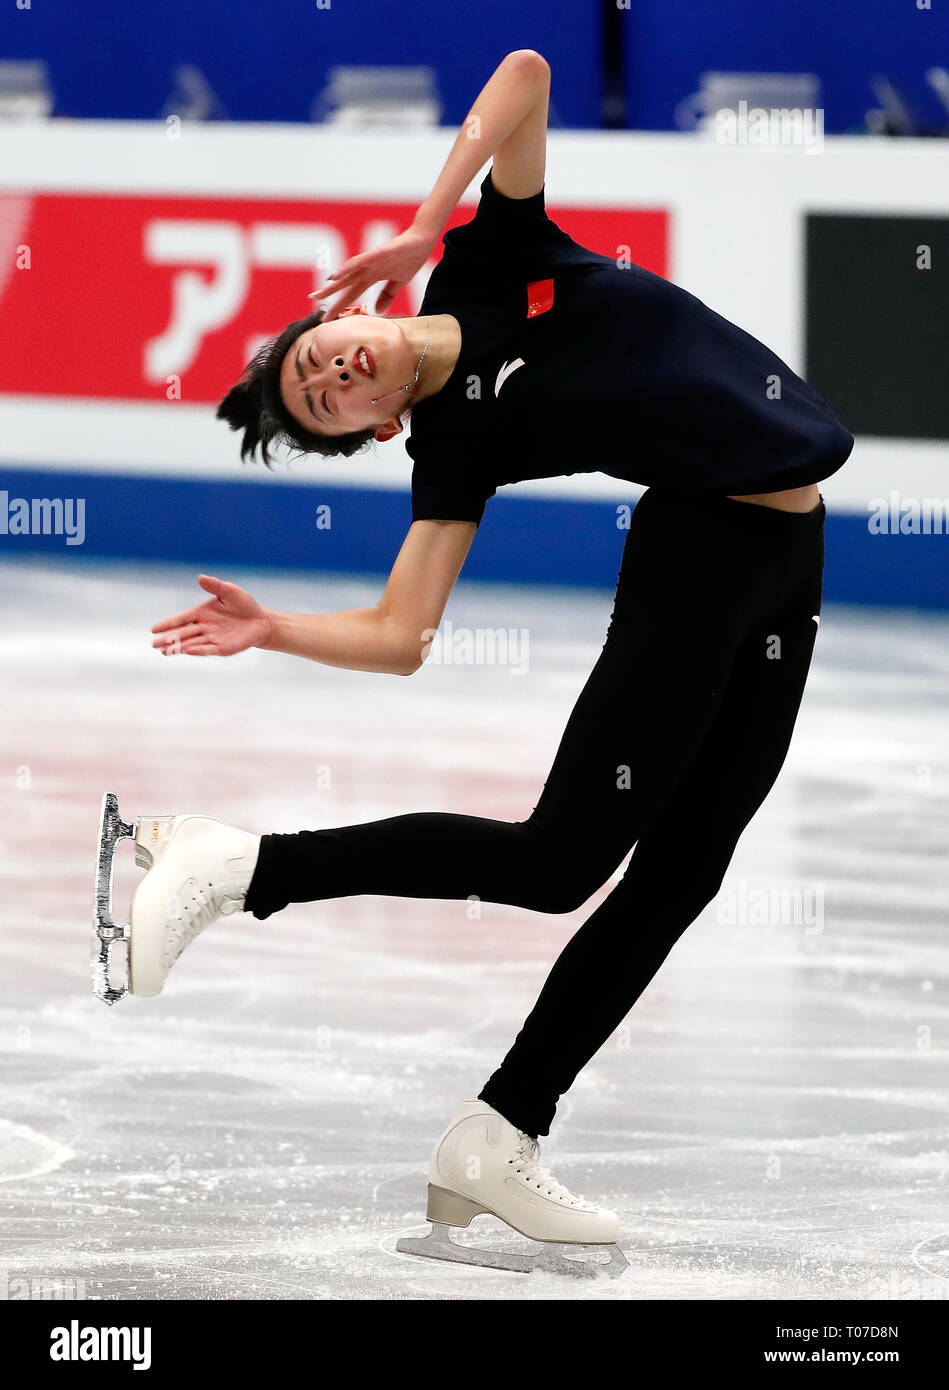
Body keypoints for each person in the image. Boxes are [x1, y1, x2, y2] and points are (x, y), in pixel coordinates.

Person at [129, 50, 854, 1270]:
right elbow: (402, 636)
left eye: (319, 359)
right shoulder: (453, 445)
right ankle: (240, 865)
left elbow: (524, 73)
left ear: (344, 316)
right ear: (380, 430)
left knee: (685, 872)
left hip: (790, 551)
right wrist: (277, 628)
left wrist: (424, 224)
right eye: (325, 406)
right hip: (701, 551)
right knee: (558, 861)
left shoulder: (491, 254)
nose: (334, 377)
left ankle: (497, 1133)